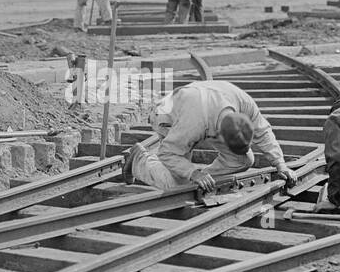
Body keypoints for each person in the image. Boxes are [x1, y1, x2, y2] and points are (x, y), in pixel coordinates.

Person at [122, 79, 297, 192]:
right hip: (166, 116)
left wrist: (280, 164)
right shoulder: (193, 123)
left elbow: (263, 131)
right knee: (175, 184)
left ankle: (202, 180)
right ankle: (139, 159)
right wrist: (193, 173)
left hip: (201, 105)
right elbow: (167, 153)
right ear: (219, 136)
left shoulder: (243, 103)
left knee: (244, 160)